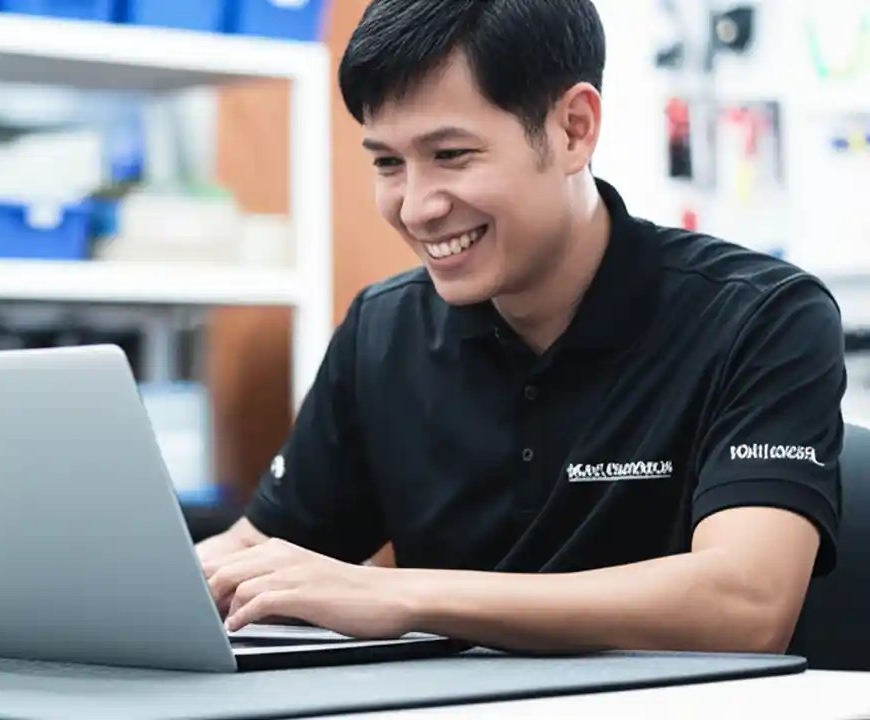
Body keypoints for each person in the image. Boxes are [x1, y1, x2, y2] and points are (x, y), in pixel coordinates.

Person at [197, 0, 845, 655]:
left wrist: (401, 596)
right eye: (388, 163)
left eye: (451, 154)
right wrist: (160, 587)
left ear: (573, 129)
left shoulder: (760, 317)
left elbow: (746, 603)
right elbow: (260, 549)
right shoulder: (381, 330)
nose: (416, 208)